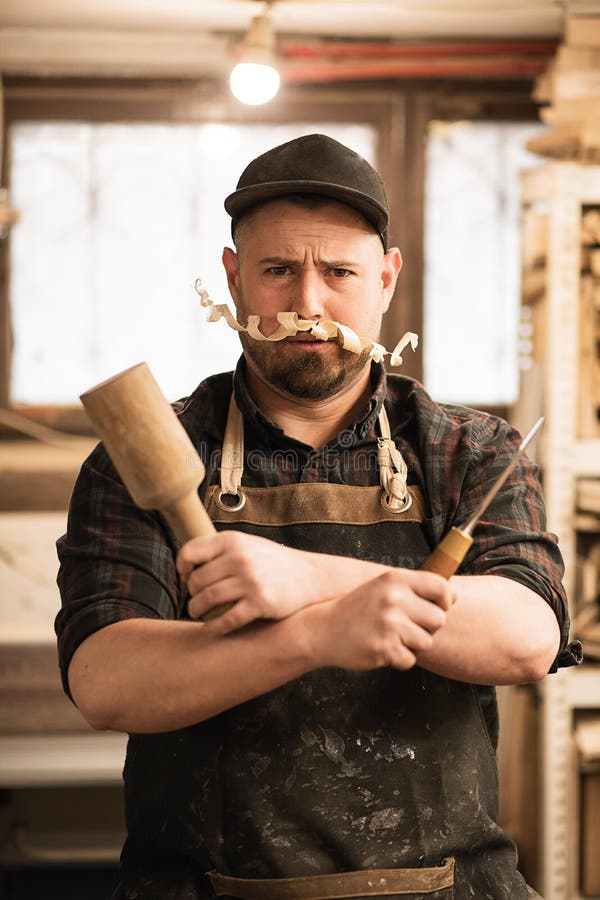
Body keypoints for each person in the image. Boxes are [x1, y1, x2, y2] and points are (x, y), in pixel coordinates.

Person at [56, 133, 579, 900]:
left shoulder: (468, 450)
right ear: (233, 278)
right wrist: (315, 637)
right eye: (278, 270)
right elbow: (105, 682)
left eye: (339, 272)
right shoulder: (143, 456)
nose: (308, 305)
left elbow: (528, 636)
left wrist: (309, 580)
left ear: (385, 280)